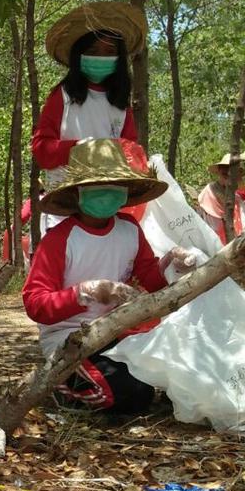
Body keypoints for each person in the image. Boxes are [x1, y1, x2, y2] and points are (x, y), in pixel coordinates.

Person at [23, 139, 196, 414]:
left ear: (125, 191)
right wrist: (83, 293)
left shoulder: (128, 228)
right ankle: (61, 386)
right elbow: (35, 303)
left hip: (117, 329)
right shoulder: (59, 240)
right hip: (70, 336)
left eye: (112, 186)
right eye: (96, 186)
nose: (105, 193)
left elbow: (149, 277)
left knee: (170, 372)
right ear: (78, 192)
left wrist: (170, 263)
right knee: (127, 393)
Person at [31, 2, 146, 236]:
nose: (101, 57)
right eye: (93, 51)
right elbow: (42, 150)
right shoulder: (61, 96)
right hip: (66, 203)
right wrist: (81, 150)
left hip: (107, 205)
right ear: (78, 55)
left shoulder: (121, 103)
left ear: (119, 57)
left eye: (108, 52)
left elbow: (131, 150)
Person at [196, 153, 245, 244]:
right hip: (214, 243)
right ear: (219, 170)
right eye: (225, 170)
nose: (228, 173)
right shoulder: (208, 193)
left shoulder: (237, 199)